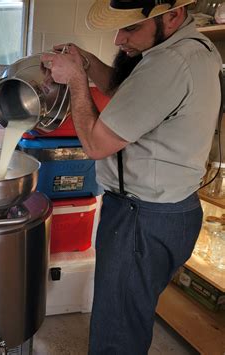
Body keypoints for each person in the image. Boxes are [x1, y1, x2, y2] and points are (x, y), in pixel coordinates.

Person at [40, 0, 222, 354]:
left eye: (132, 28)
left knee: (117, 329)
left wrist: (77, 78)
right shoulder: (190, 47)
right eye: (118, 28)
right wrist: (87, 62)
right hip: (171, 211)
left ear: (173, 15)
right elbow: (129, 94)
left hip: (143, 219)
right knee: (130, 312)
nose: (119, 38)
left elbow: (95, 144)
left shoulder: (169, 63)